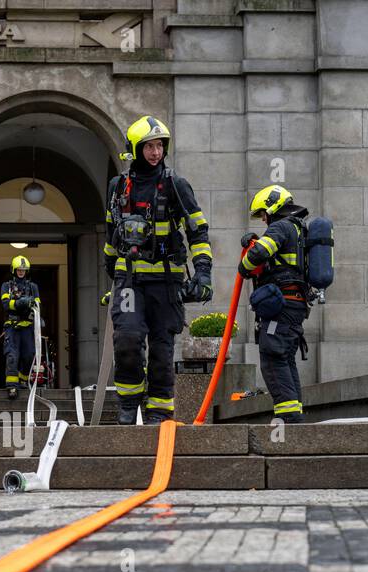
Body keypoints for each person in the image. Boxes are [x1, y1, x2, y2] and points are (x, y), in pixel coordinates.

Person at [103, 115, 213, 425]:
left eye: (159, 146)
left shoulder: (175, 184)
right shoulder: (118, 186)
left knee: (162, 351)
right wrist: (112, 271)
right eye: (149, 146)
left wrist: (203, 271)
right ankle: (128, 406)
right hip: (129, 281)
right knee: (127, 339)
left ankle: (158, 413)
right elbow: (111, 232)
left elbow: (198, 231)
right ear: (135, 150)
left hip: (166, 281)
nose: (155, 152)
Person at [238, 185, 311, 423]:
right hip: (295, 305)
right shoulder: (299, 229)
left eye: (262, 214)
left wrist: (244, 266)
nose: (263, 219)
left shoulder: (280, 226)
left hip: (282, 307)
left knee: (272, 357)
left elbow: (260, 253)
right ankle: (294, 416)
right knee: (285, 358)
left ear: (272, 206)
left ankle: (288, 418)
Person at [0, 255, 41, 399]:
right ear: (14, 270)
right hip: (12, 327)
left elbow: (37, 305)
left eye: (24, 269)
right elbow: (5, 304)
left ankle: (23, 379)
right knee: (12, 356)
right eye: (19, 269)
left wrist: (35, 312)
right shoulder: (7, 286)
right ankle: (12, 386)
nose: (21, 271)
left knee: (29, 355)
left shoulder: (33, 287)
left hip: (28, 327)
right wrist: (18, 303)